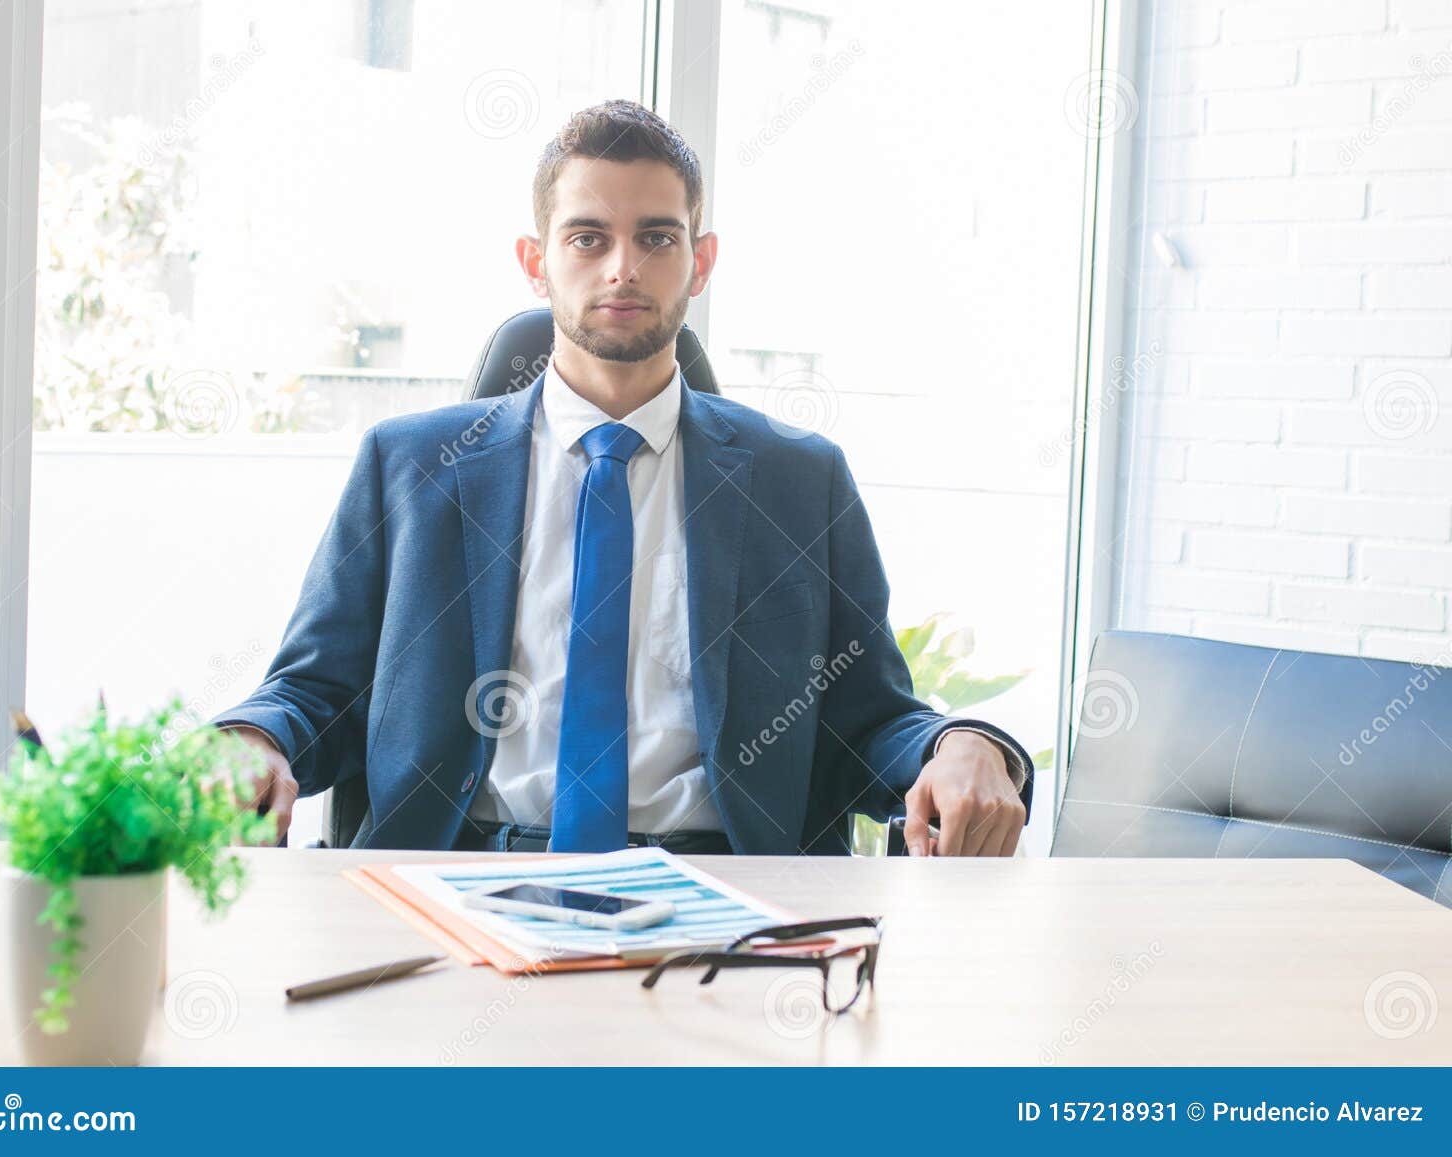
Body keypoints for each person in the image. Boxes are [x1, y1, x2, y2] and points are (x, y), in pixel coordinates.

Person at [213, 99, 1033, 857]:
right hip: (463, 879)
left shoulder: (800, 480)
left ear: (700, 261)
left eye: (656, 237)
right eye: (587, 238)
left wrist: (961, 741)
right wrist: (254, 737)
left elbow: (869, 714)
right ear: (536, 261)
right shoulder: (409, 467)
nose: (622, 269)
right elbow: (315, 689)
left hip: (724, 899)